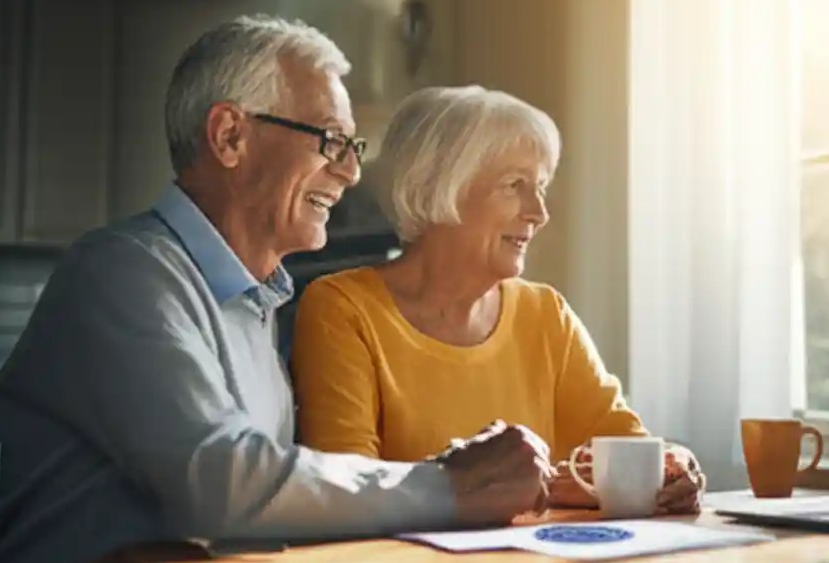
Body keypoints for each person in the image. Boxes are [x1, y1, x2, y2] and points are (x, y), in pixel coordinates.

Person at [0, 17, 551, 563]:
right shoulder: (123, 271)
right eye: (330, 141)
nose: (350, 173)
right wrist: (449, 485)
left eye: (353, 147)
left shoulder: (256, 302)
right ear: (229, 136)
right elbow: (221, 484)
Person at [289, 86, 704, 513]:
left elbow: (628, 448)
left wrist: (674, 468)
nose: (538, 213)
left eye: (540, 186)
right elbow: (347, 488)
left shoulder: (545, 315)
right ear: (437, 186)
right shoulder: (342, 309)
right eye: (515, 185)